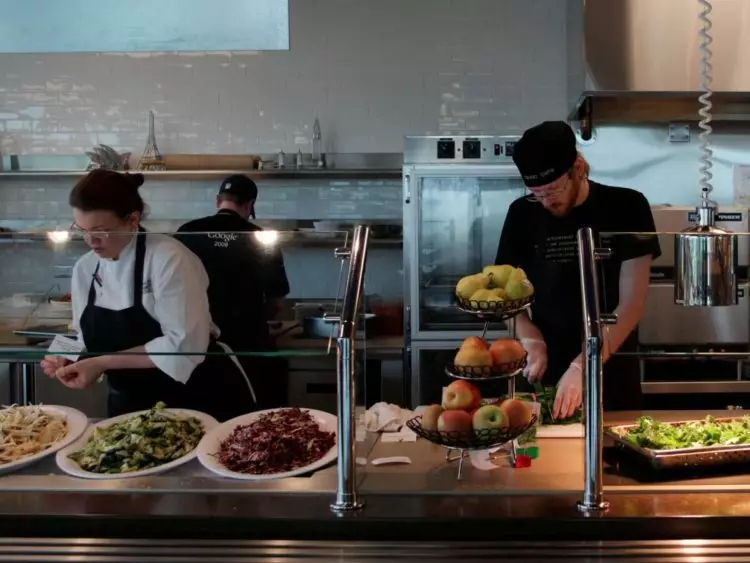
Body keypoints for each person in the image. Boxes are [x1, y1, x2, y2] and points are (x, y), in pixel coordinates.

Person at [40, 170, 256, 421]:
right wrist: (63, 353)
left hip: (195, 397)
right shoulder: (85, 267)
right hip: (129, 405)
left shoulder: (169, 257)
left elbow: (183, 344)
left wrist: (101, 363)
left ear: (133, 219)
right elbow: (81, 332)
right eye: (82, 229)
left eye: (101, 230)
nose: (90, 240)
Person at [495, 121, 660, 418]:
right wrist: (530, 337)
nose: (546, 202)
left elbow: (632, 305)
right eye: (537, 193)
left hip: (612, 363)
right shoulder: (521, 214)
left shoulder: (627, 206)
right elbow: (502, 295)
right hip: (544, 366)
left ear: (579, 168)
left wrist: (583, 365)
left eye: (554, 190)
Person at [176, 174, 290, 408]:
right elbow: (277, 300)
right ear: (249, 205)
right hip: (248, 341)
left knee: (200, 412)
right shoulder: (260, 238)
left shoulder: (187, 232)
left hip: (197, 339)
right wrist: (268, 320)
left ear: (218, 201)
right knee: (248, 412)